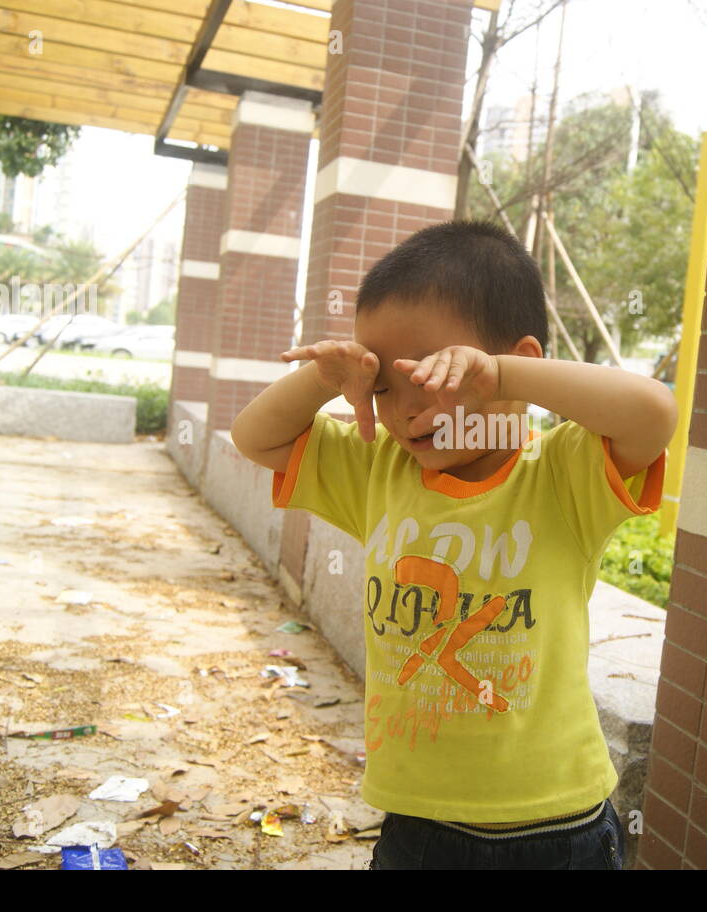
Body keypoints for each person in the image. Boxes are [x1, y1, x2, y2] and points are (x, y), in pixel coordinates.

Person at [230, 219, 676, 869]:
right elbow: (254, 439)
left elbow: (653, 412)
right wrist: (327, 380)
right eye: (383, 386)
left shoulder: (561, 475)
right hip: (416, 822)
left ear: (513, 366)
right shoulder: (377, 471)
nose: (408, 410)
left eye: (435, 377)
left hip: (554, 829)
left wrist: (506, 377)